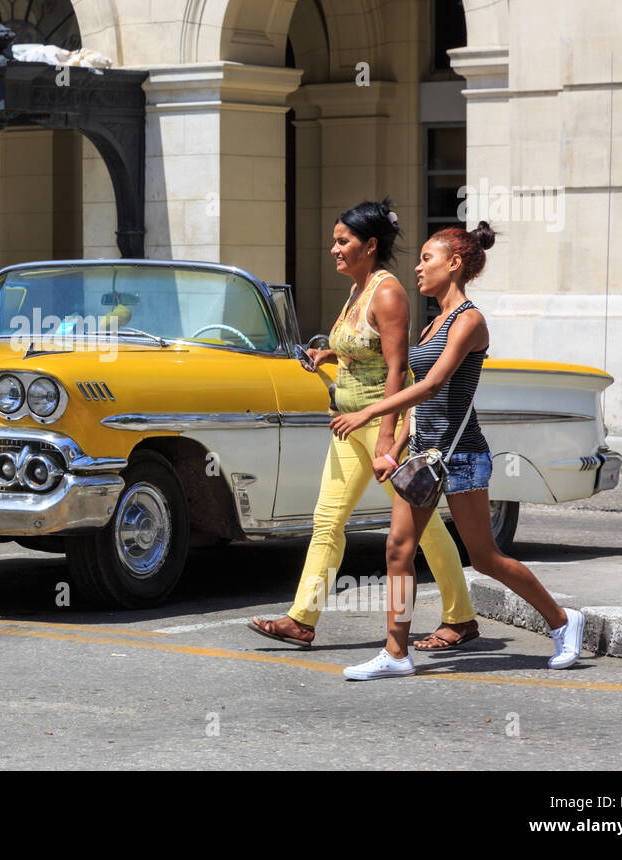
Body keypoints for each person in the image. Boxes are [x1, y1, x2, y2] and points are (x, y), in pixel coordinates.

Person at [331, 221, 584, 678]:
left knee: (485, 558)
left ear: (455, 263)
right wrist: (397, 447)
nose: (418, 268)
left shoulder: (469, 321)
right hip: (426, 457)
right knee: (397, 550)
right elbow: (422, 404)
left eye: (427, 258)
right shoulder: (432, 324)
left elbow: (432, 385)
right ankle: (396, 654)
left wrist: (369, 415)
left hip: (462, 457)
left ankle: (563, 621)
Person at [248, 198, 479, 649]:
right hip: (347, 424)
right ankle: (302, 619)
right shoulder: (358, 288)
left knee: (423, 527)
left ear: (369, 245)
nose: (334, 249)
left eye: (343, 241)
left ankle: (461, 617)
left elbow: (397, 367)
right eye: (335, 241)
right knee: (327, 521)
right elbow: (364, 346)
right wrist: (327, 354)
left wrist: (388, 438)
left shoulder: (387, 292)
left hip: (381, 422)